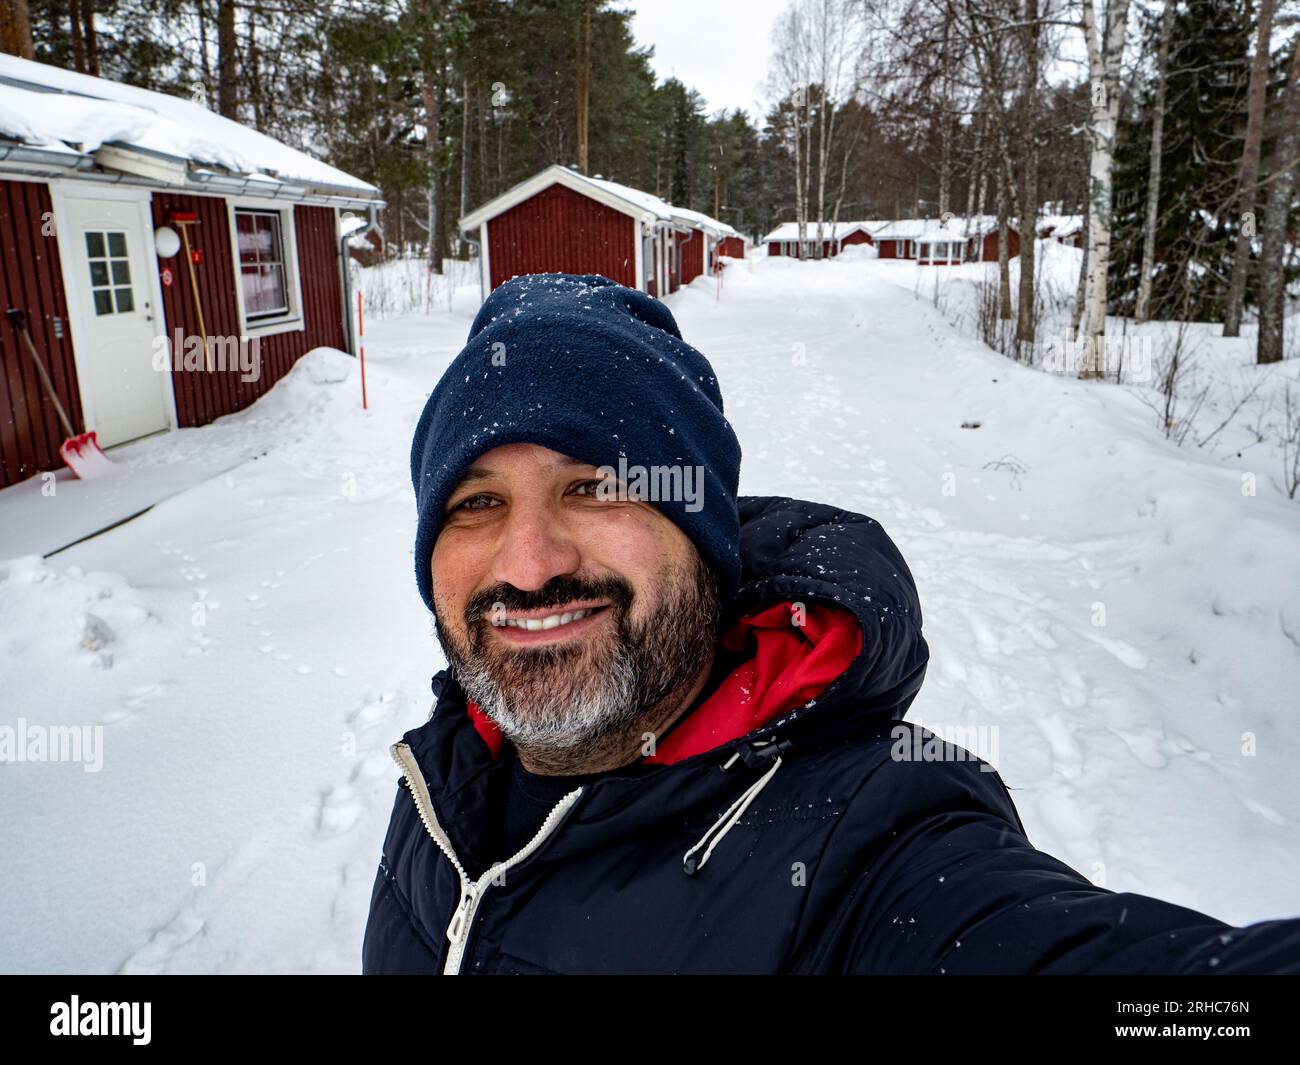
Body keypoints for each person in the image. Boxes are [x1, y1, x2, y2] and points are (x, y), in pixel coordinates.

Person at [362, 272, 1300, 975]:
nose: (529, 564)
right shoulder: (447, 777)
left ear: (701, 535)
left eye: (596, 485)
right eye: (476, 503)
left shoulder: (865, 843)